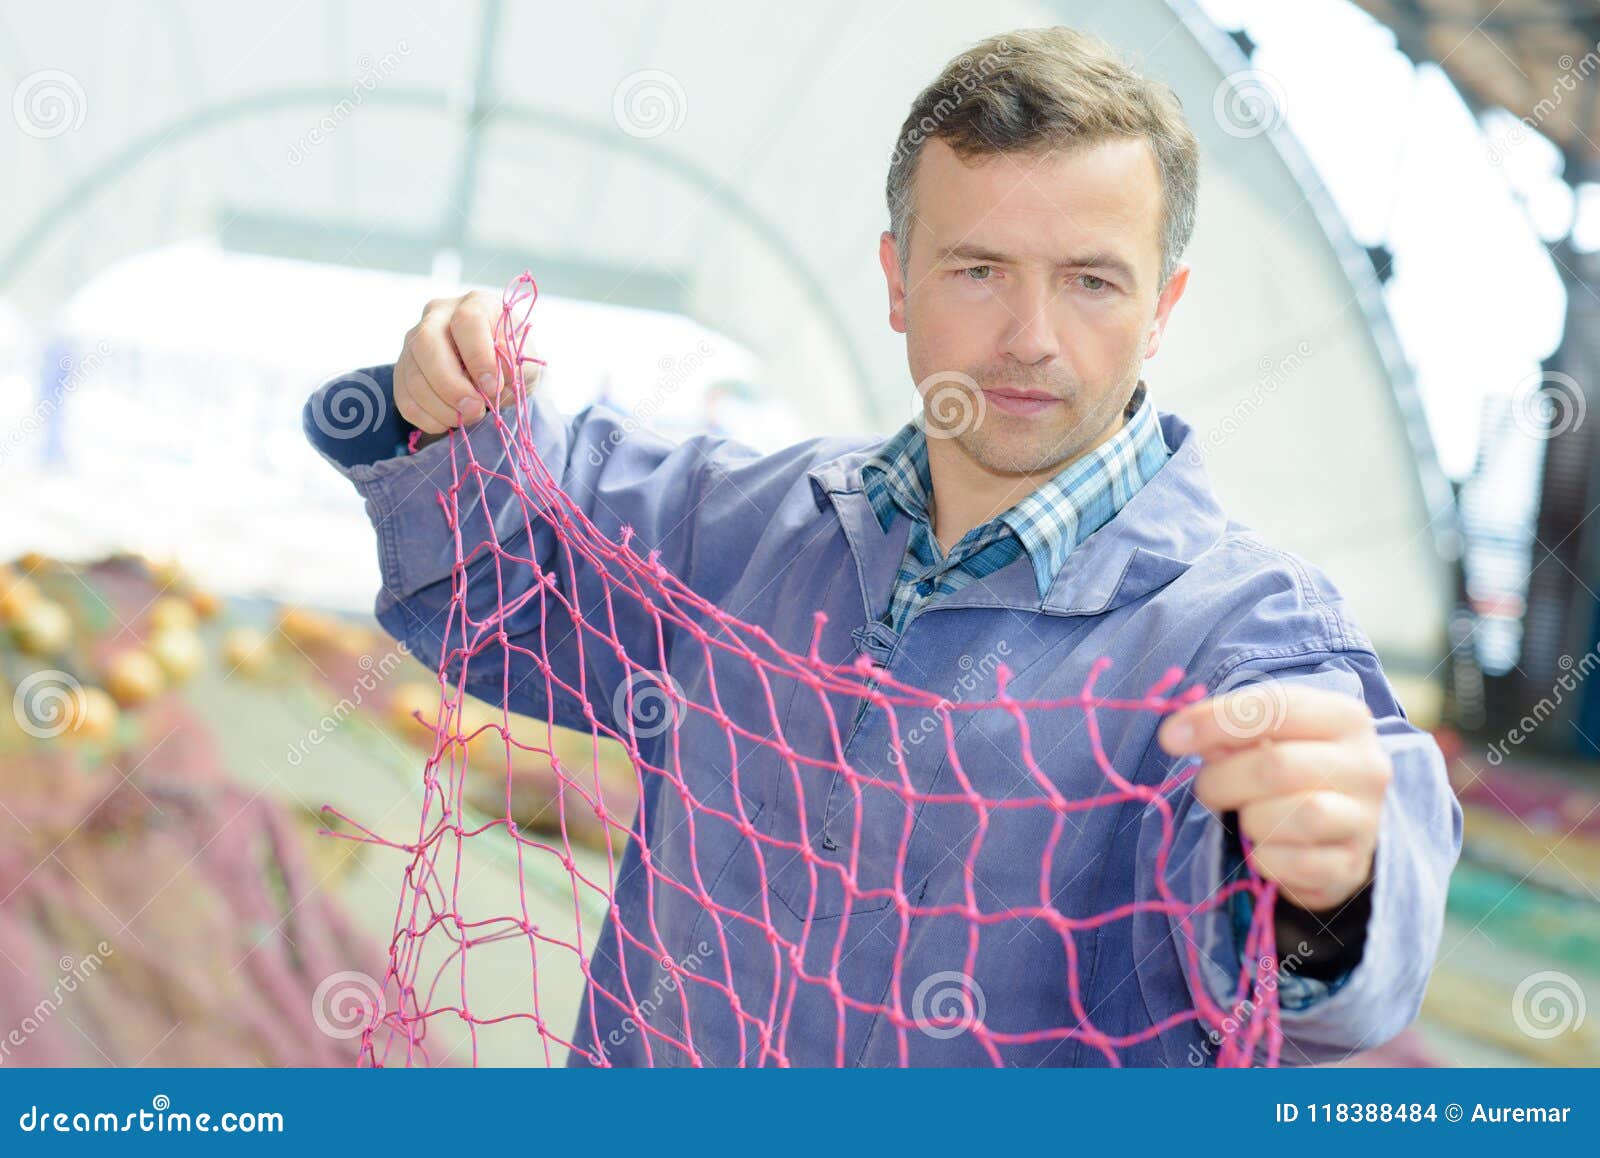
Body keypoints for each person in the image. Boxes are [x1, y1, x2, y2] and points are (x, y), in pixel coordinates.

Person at [305, 26, 1462, 1067]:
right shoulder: (737, 526)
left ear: (1163, 304)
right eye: (975, 271)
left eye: (1092, 283)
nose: (1030, 338)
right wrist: (442, 411)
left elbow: (1346, 946)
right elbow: (503, 589)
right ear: (896, 280)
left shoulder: (1235, 634)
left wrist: (1335, 887)